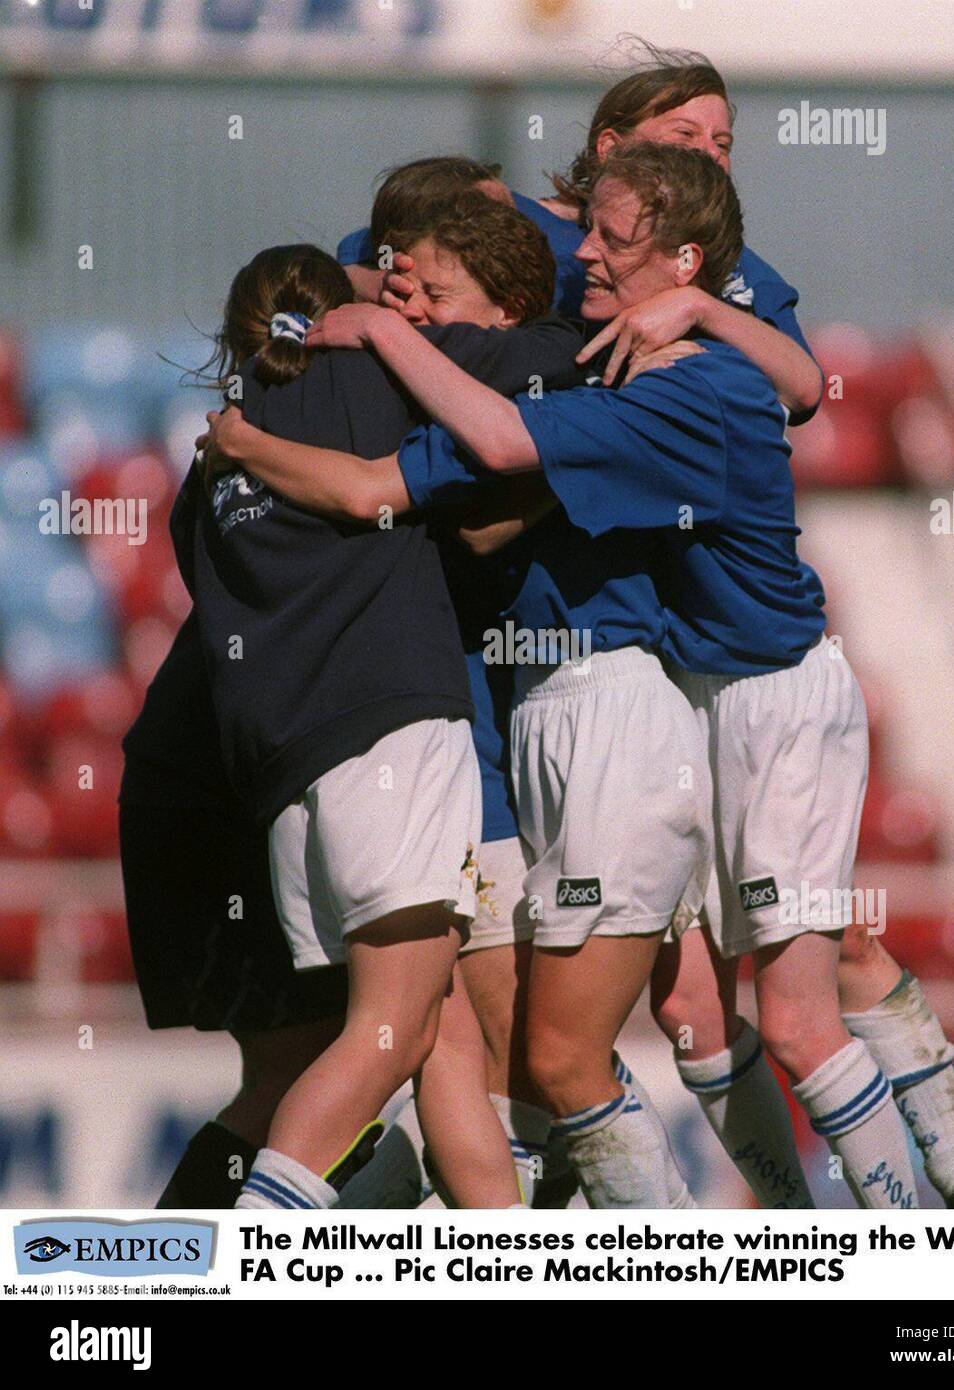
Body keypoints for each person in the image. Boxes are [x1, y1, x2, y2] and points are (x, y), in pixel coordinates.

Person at [203, 143, 926, 1211]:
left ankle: (817, 1238)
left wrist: (244, 438)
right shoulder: (529, 368)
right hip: (559, 722)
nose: (584, 245)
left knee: (591, 1048)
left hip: (635, 711)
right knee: (524, 1042)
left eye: (609, 233)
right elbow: (410, 468)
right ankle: (615, 1241)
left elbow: (475, 471)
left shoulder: (587, 375)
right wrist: (367, 300)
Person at [180, 210, 592, 1211]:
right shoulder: (371, 377)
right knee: (388, 1036)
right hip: (385, 734)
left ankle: (502, 1255)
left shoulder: (212, 464)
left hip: (287, 780)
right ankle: (253, 1259)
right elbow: (550, 357)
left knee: (433, 1032)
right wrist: (387, 310)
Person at [119, 617, 347, 1208]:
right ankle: (172, 1275)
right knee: (303, 1072)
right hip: (233, 778)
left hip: (212, 767)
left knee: (307, 1071)